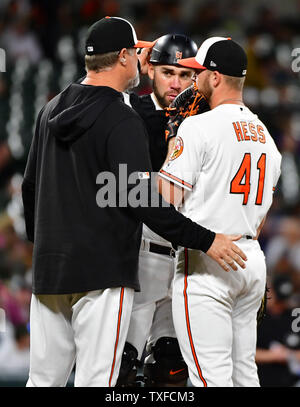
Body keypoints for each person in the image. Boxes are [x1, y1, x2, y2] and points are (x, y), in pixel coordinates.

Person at [21, 17, 246, 387]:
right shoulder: (121, 117)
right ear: (126, 56)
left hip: (51, 268)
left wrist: (47, 247)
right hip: (104, 271)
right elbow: (141, 198)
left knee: (42, 381)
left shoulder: (50, 109)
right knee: (99, 382)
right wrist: (208, 240)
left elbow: (30, 188)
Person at [158, 37, 282, 387]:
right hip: (250, 260)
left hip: (207, 260)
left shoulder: (197, 127)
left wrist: (172, 135)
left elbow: (168, 195)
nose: (192, 81)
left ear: (214, 78)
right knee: (244, 374)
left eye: (198, 73)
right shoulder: (265, 136)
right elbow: (259, 223)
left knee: (210, 379)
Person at [117, 34, 205, 387]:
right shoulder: (129, 110)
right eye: (168, 72)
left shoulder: (208, 119)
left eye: (185, 75)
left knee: (171, 368)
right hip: (142, 249)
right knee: (123, 366)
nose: (176, 83)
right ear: (150, 69)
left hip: (190, 254)